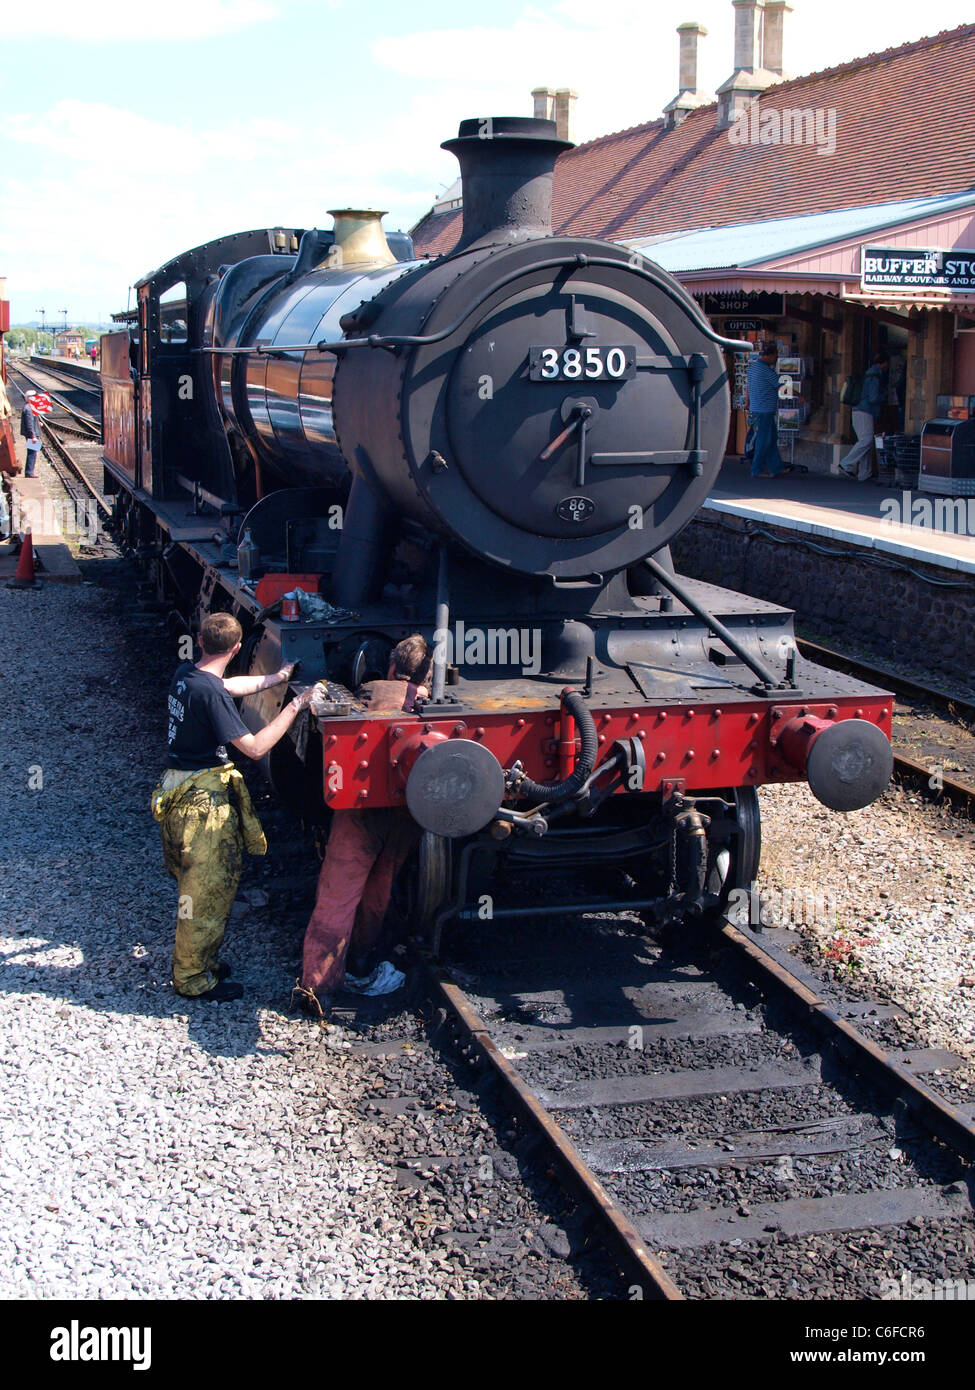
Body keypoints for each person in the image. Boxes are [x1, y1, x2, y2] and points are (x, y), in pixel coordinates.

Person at [151, 612, 314, 1003]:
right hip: (202, 808)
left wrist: (277, 679)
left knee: (197, 889)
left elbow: (225, 687)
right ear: (237, 648)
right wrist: (296, 707)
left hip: (176, 789)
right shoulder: (210, 693)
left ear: (202, 641)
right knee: (206, 892)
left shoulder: (186, 676)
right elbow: (256, 748)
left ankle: (200, 961)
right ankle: (192, 979)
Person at [295, 635, 433, 1016]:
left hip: (360, 810)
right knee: (379, 892)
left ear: (391, 666)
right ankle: (360, 966)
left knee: (338, 893)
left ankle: (316, 986)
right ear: (428, 675)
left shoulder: (365, 690)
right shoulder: (427, 703)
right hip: (403, 815)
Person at [840, 351, 889, 482]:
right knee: (866, 440)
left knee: (865, 441)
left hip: (859, 410)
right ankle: (846, 464)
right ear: (883, 363)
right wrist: (884, 396)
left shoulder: (869, 373)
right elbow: (873, 398)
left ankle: (864, 473)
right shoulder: (875, 376)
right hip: (865, 411)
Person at [746, 345, 792, 478]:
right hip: (765, 409)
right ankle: (757, 469)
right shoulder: (767, 371)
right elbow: (781, 386)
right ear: (768, 356)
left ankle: (775, 467)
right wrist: (798, 395)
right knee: (763, 440)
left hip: (758, 408)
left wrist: (748, 402)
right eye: (775, 356)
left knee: (771, 439)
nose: (776, 359)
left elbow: (748, 387)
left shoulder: (752, 368)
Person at [20, 390, 43, 478]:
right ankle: (29, 472)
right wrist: (33, 436)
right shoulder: (28, 409)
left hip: (32, 434)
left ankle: (30, 471)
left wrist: (38, 423)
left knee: (33, 452)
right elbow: (29, 424)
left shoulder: (30, 407)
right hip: (32, 435)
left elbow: (32, 422)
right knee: (32, 452)